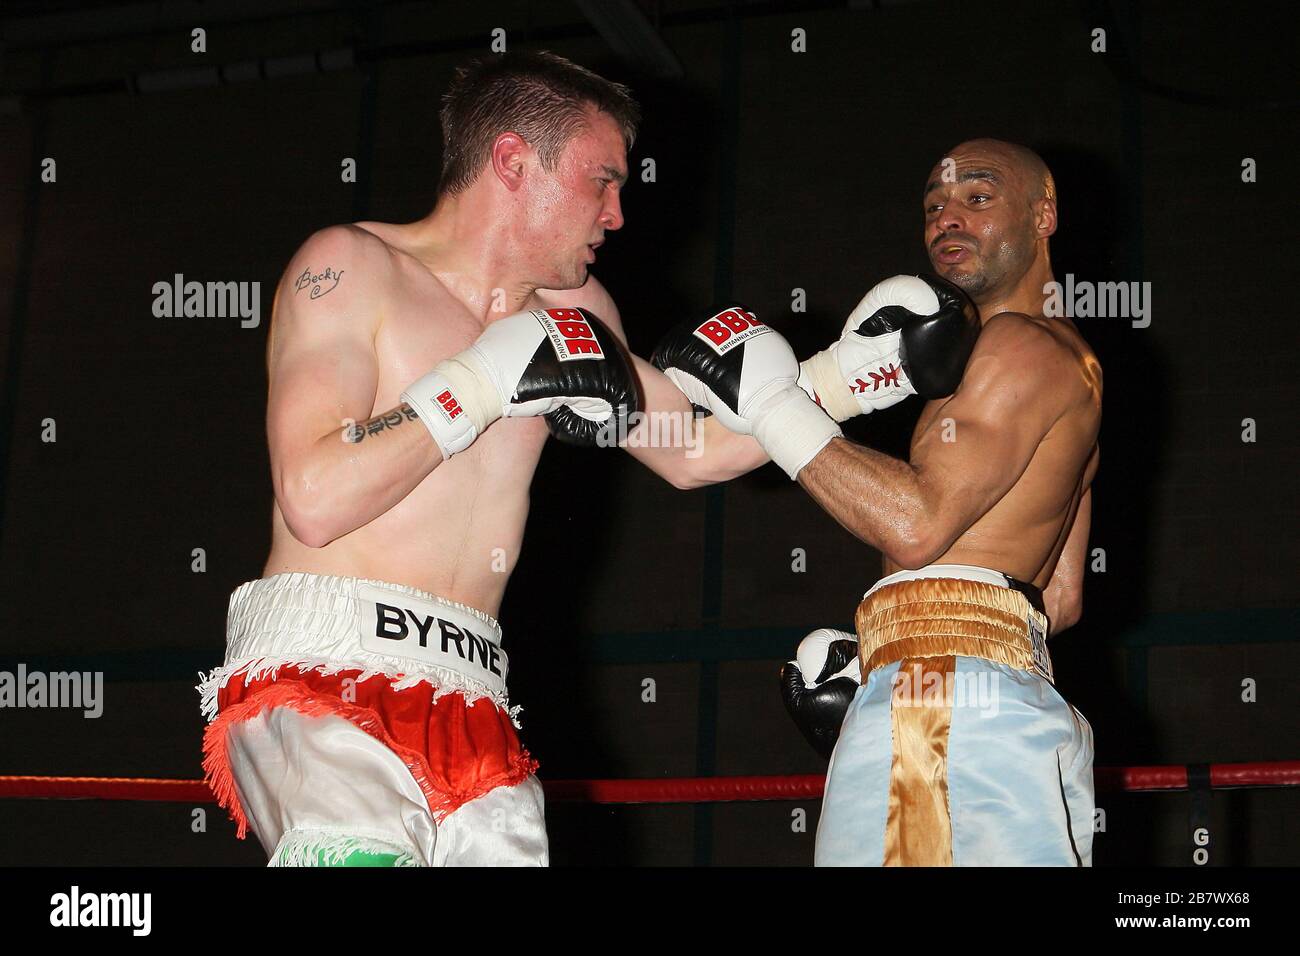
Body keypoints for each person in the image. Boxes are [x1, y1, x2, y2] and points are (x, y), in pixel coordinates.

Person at [655, 139, 1102, 866]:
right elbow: (1061, 595)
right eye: (934, 206)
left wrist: (773, 404)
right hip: (1001, 704)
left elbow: (918, 527)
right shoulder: (1072, 363)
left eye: (978, 199)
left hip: (942, 700)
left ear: (1044, 215)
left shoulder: (1015, 344)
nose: (947, 219)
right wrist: (881, 657)